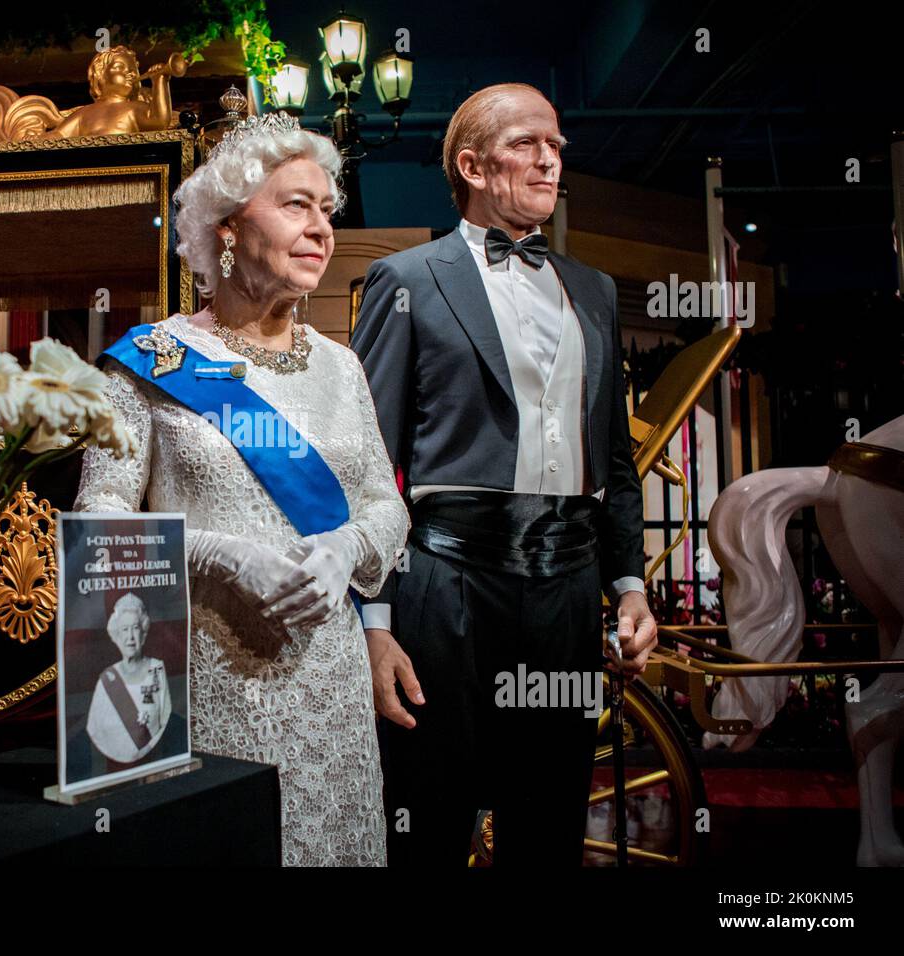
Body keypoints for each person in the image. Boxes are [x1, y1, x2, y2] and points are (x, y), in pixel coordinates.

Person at [75, 112, 409, 866]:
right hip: (205, 683)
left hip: (331, 689)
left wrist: (345, 547)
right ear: (227, 225)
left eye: (328, 210)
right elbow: (96, 522)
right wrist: (226, 557)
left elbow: (387, 505)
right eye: (296, 205)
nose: (321, 228)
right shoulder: (148, 364)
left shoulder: (342, 368)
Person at [352, 83, 658, 866]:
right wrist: (375, 625)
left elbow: (615, 458)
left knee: (551, 817)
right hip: (446, 583)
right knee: (429, 809)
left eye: (556, 146)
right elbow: (370, 462)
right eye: (528, 143)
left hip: (566, 588)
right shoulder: (407, 281)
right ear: (472, 165)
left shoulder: (593, 290)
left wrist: (629, 585)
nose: (550, 159)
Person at [86, 593, 171, 764]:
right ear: (116, 636)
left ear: (144, 633)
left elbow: (165, 719)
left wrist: (145, 751)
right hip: (111, 768)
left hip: (152, 761)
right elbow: (94, 730)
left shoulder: (157, 669)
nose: (130, 637)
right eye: (125, 629)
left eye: (135, 628)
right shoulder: (107, 679)